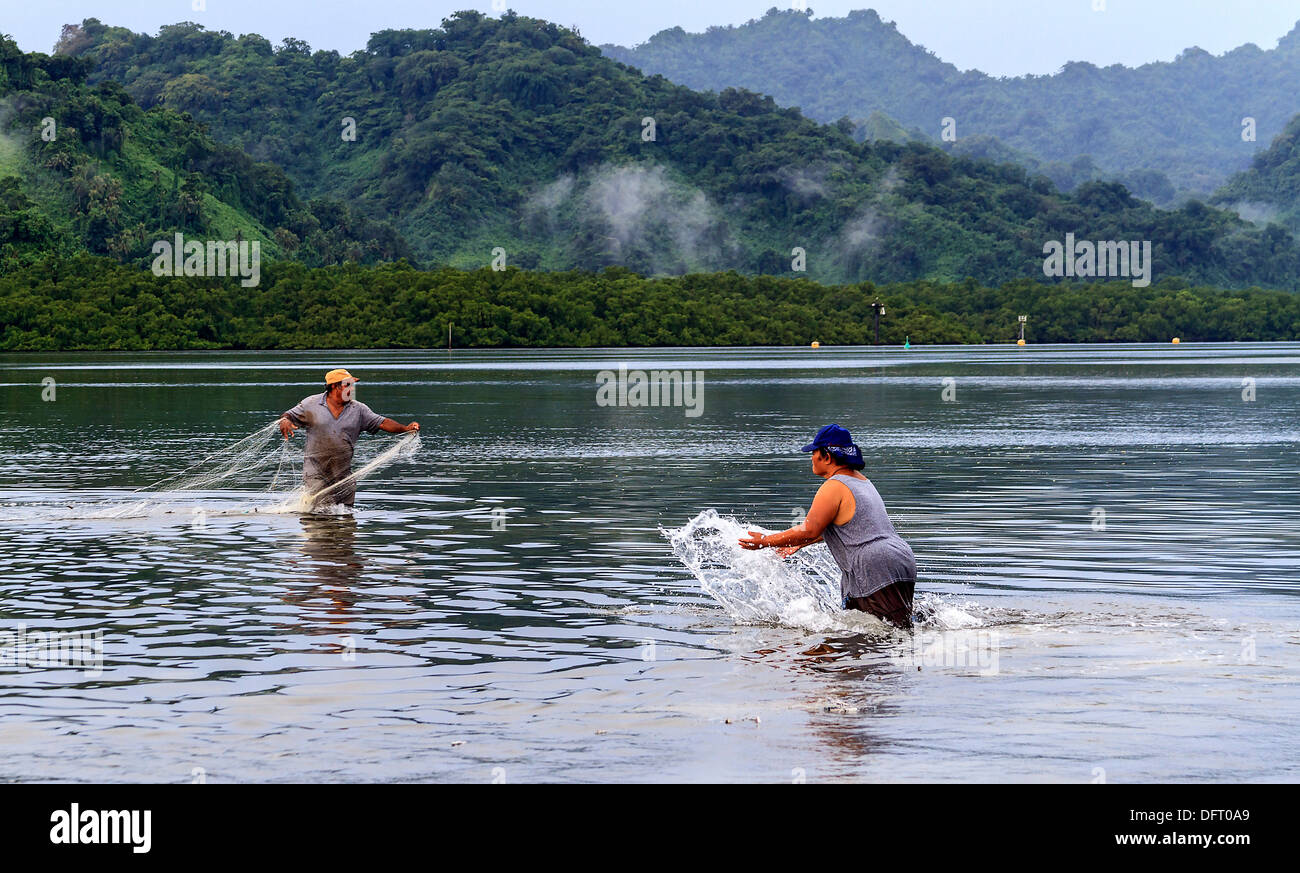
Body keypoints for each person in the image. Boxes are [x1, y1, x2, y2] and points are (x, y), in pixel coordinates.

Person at [739, 424, 918, 628]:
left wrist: (764, 542)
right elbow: (850, 527)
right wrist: (801, 543)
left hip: (874, 565)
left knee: (880, 637)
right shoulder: (862, 481)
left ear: (827, 456)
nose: (811, 457)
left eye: (814, 452)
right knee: (893, 631)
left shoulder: (834, 486)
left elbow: (809, 529)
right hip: (899, 558)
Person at [279, 368, 419, 510]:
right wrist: (285, 420)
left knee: (346, 515)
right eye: (348, 385)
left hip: (343, 474)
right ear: (334, 386)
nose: (352, 389)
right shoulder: (311, 403)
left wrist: (405, 429)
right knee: (319, 513)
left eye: (352, 385)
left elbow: (382, 422)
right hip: (316, 473)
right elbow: (288, 415)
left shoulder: (358, 409)